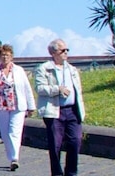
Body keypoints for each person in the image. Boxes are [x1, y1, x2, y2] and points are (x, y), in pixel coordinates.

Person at [34, 39, 85, 176]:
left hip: (72, 111)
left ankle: (71, 172)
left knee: (75, 141)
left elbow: (78, 90)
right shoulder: (44, 69)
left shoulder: (72, 69)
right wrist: (57, 89)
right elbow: (39, 88)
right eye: (62, 50)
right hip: (55, 112)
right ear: (53, 53)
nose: (66, 53)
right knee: (55, 145)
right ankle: (57, 173)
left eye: (67, 50)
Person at [0, 44, 35, 171]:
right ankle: (11, 156)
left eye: (8, 55)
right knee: (5, 134)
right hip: (1, 106)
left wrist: (31, 106)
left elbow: (27, 88)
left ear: (12, 57)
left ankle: (14, 158)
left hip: (17, 105)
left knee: (14, 131)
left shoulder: (19, 71)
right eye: (3, 55)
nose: (5, 57)